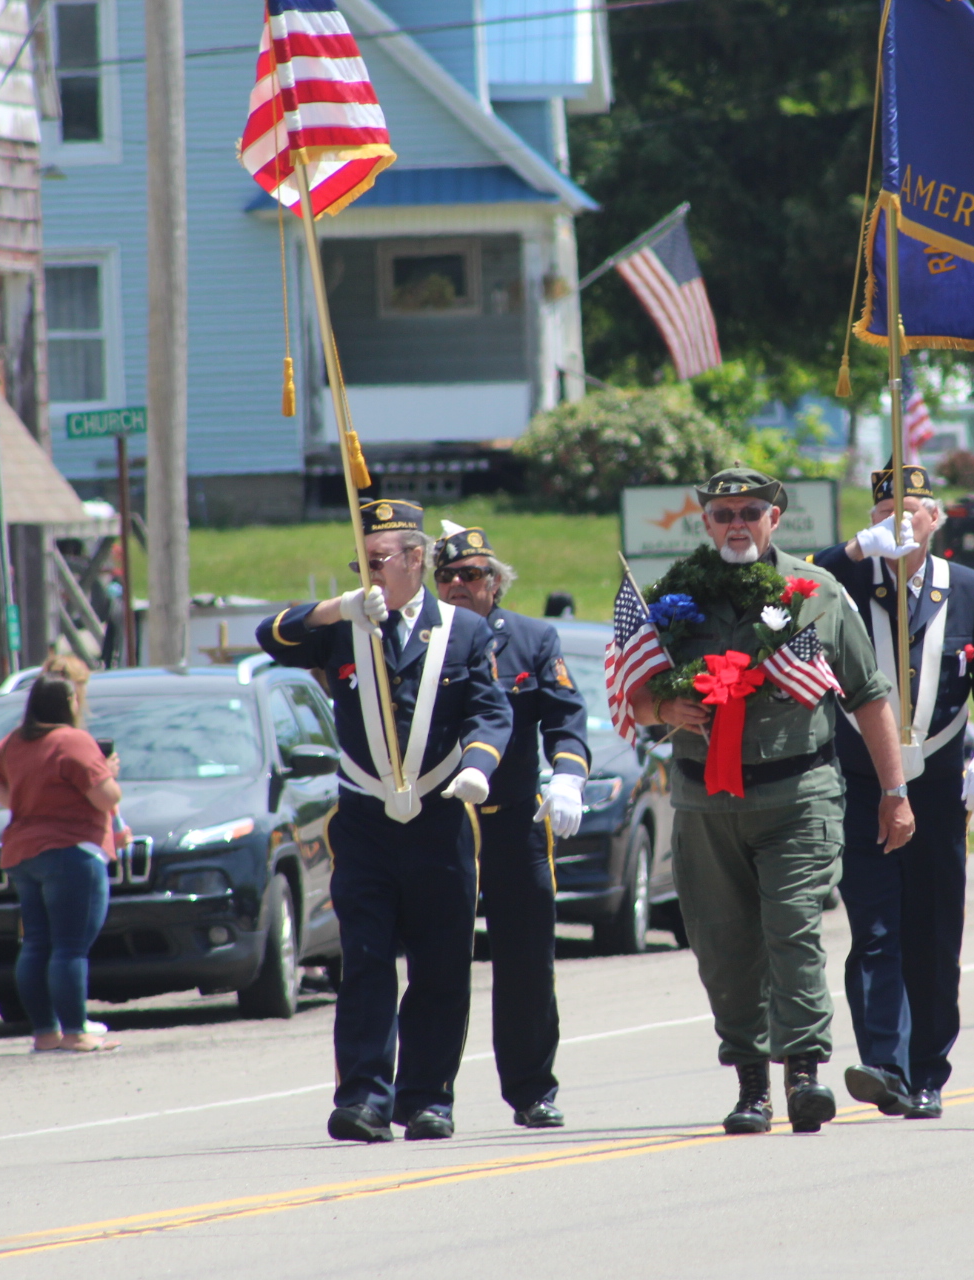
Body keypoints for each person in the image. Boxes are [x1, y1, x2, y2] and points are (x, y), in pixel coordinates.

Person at [626, 467, 915, 1135]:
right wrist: (664, 704)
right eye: (722, 512)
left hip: (798, 795)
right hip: (705, 803)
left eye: (750, 511)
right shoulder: (675, 598)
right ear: (705, 522)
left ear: (775, 519)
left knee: (794, 931)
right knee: (724, 947)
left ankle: (805, 1077)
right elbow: (635, 695)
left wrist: (895, 792)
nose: (736, 523)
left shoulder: (816, 594)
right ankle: (751, 1086)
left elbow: (868, 695)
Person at [256, 500, 512, 1144]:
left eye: (377, 562)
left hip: (439, 818)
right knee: (366, 963)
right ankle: (364, 1096)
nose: (367, 575)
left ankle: (428, 1097)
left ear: (416, 558)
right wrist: (336, 609)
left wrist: (478, 767)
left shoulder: (464, 630)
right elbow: (272, 634)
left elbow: (489, 711)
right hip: (366, 824)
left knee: (441, 966)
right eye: (359, 563)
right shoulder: (346, 622)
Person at [813, 463, 974, 1120]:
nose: (899, 523)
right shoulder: (844, 582)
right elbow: (790, 586)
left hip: (936, 780)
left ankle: (927, 1067)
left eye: (913, 511)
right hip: (861, 777)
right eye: (884, 515)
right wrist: (854, 552)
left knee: (933, 930)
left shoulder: (966, 588)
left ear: (938, 519)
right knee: (874, 926)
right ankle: (884, 1064)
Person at [430, 521, 587, 1129]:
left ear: (495, 583)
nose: (459, 585)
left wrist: (567, 776)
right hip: (443, 824)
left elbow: (566, 720)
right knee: (441, 962)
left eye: (472, 575)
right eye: (447, 577)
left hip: (515, 822)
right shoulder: (424, 641)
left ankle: (531, 1091)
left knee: (525, 964)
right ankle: (430, 1098)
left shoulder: (530, 638)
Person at [0, 673, 124, 1054]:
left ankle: (45, 1032)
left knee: (37, 944)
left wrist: (17, 800)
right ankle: (76, 1032)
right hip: (71, 850)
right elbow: (105, 797)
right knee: (70, 948)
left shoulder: (16, 741)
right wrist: (108, 770)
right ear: (68, 703)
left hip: (23, 852)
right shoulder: (73, 740)